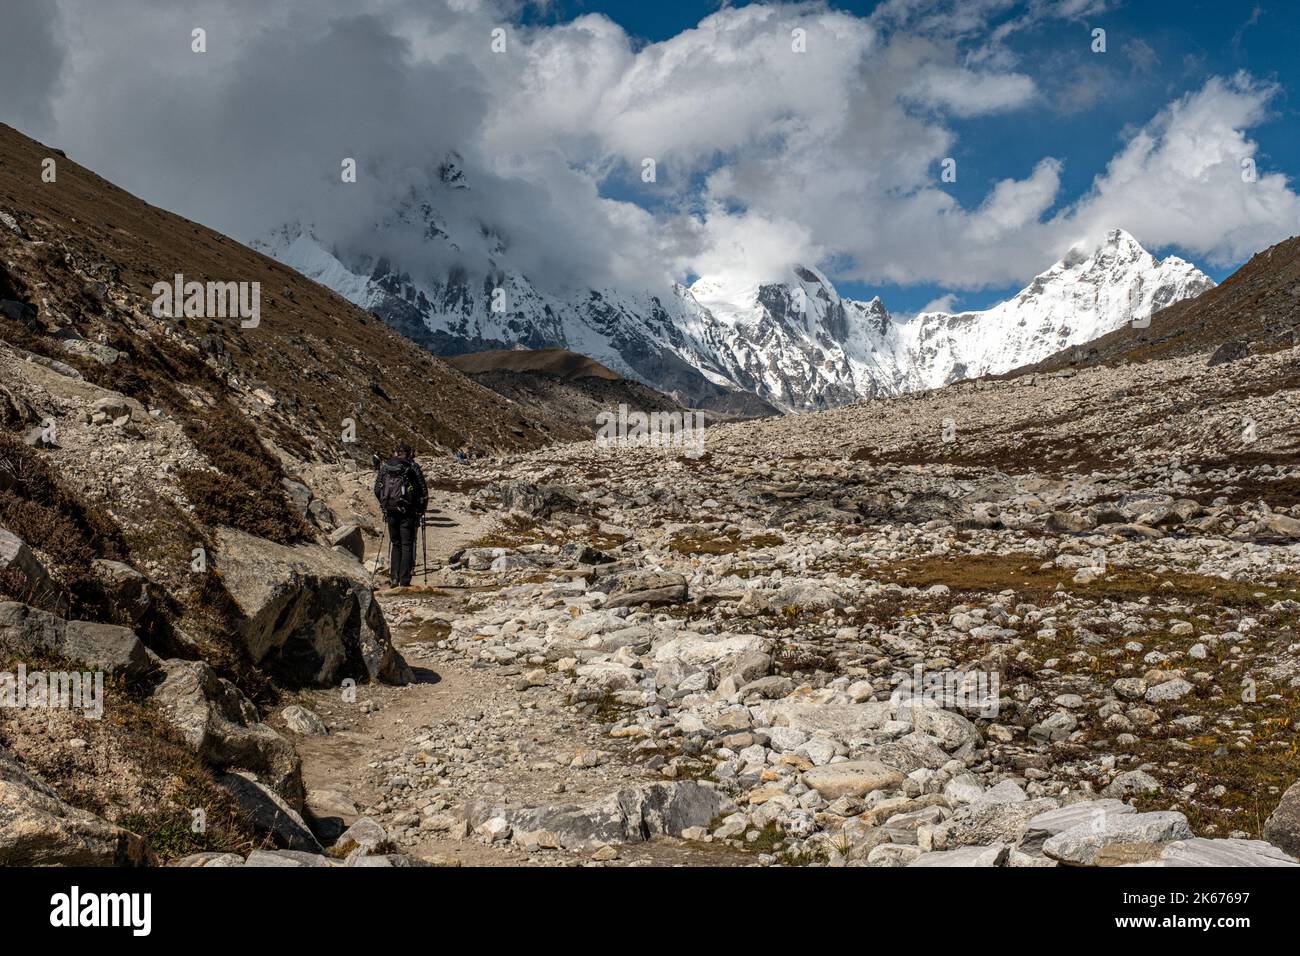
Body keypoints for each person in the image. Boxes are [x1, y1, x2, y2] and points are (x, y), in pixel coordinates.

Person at [373, 443, 428, 587]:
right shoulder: (412, 467)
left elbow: (377, 489)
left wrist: (384, 505)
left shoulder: (386, 467)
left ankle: (394, 578)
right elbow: (423, 491)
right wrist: (421, 509)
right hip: (408, 512)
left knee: (395, 543)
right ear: (409, 454)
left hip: (390, 511)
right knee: (407, 544)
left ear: (396, 452)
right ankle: (404, 580)